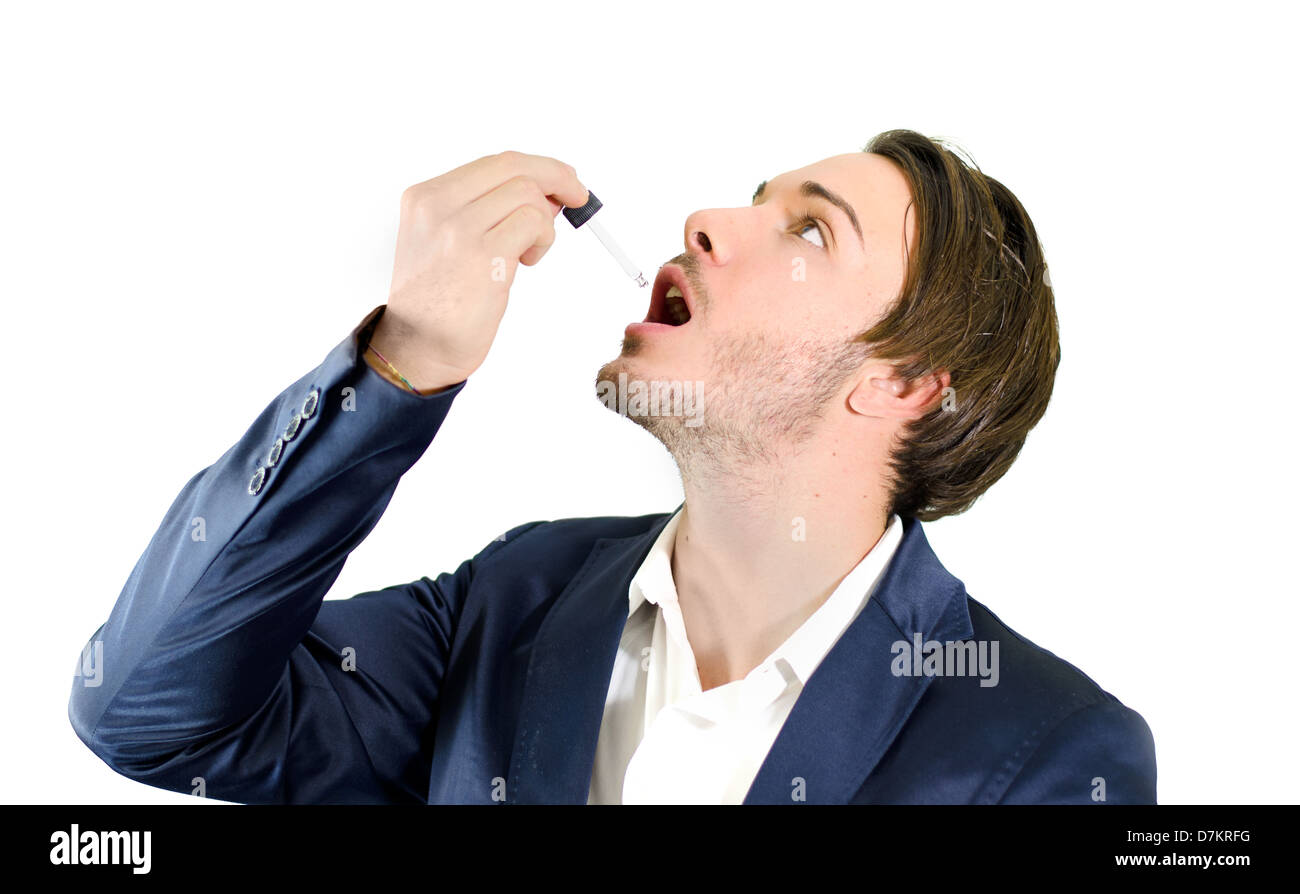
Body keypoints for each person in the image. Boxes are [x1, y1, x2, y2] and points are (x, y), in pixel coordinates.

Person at [68, 133, 1157, 804]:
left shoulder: (1048, 751)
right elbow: (151, 715)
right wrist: (404, 367)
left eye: (812, 233)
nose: (708, 221)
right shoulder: (510, 606)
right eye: (757, 194)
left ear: (906, 385)